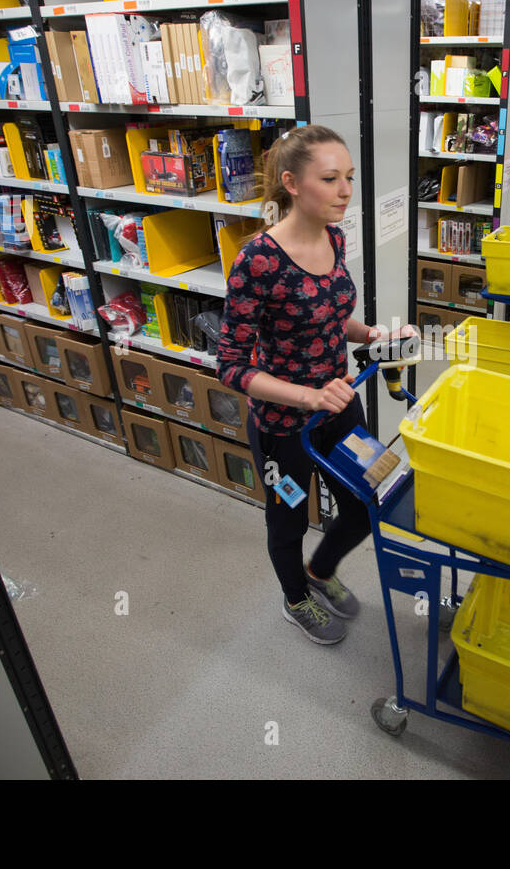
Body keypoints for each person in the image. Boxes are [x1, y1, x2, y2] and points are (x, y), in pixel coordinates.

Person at [217, 125, 406, 645]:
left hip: (339, 409)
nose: (346, 190)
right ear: (292, 184)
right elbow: (230, 365)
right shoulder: (256, 260)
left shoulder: (335, 236)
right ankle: (295, 596)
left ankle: (320, 573)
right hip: (283, 429)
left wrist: (372, 334)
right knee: (289, 521)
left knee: (370, 499)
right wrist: (308, 396)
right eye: (330, 178)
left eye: (348, 177)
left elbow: (328, 315)